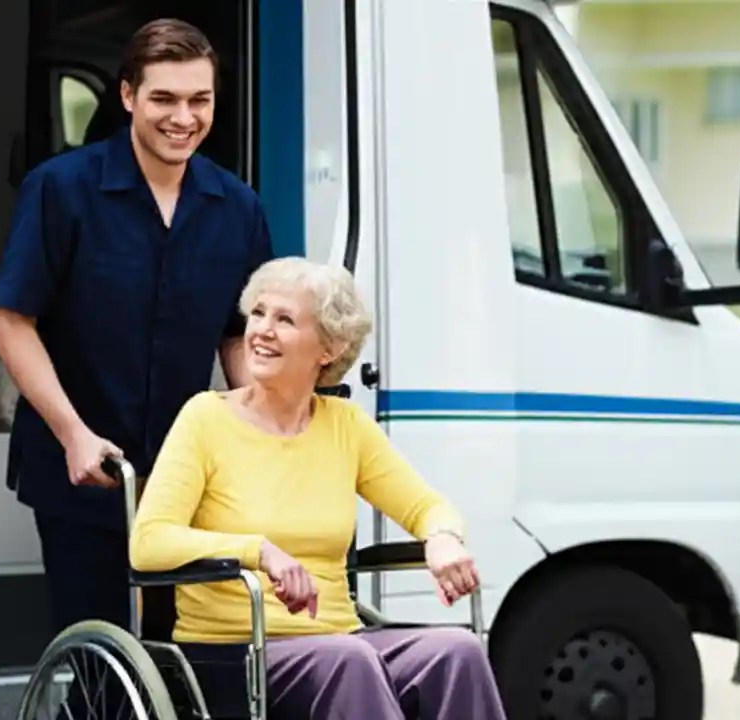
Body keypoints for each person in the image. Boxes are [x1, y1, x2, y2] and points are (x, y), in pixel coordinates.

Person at [0, 18, 273, 637]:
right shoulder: (60, 190)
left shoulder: (238, 206)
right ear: (127, 96)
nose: (184, 118)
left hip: (186, 474)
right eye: (164, 99)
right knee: (102, 653)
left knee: (182, 655)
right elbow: (12, 322)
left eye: (200, 100)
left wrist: (258, 423)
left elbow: (238, 333)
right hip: (83, 468)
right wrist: (72, 432)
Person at [129, 257, 509, 719]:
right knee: (349, 660)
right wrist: (258, 550)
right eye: (259, 313)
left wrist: (442, 537)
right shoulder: (205, 418)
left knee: (457, 651)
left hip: (340, 641)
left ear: (328, 349)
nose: (262, 330)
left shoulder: (345, 424)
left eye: (284, 320)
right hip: (233, 653)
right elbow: (148, 543)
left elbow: (426, 504)